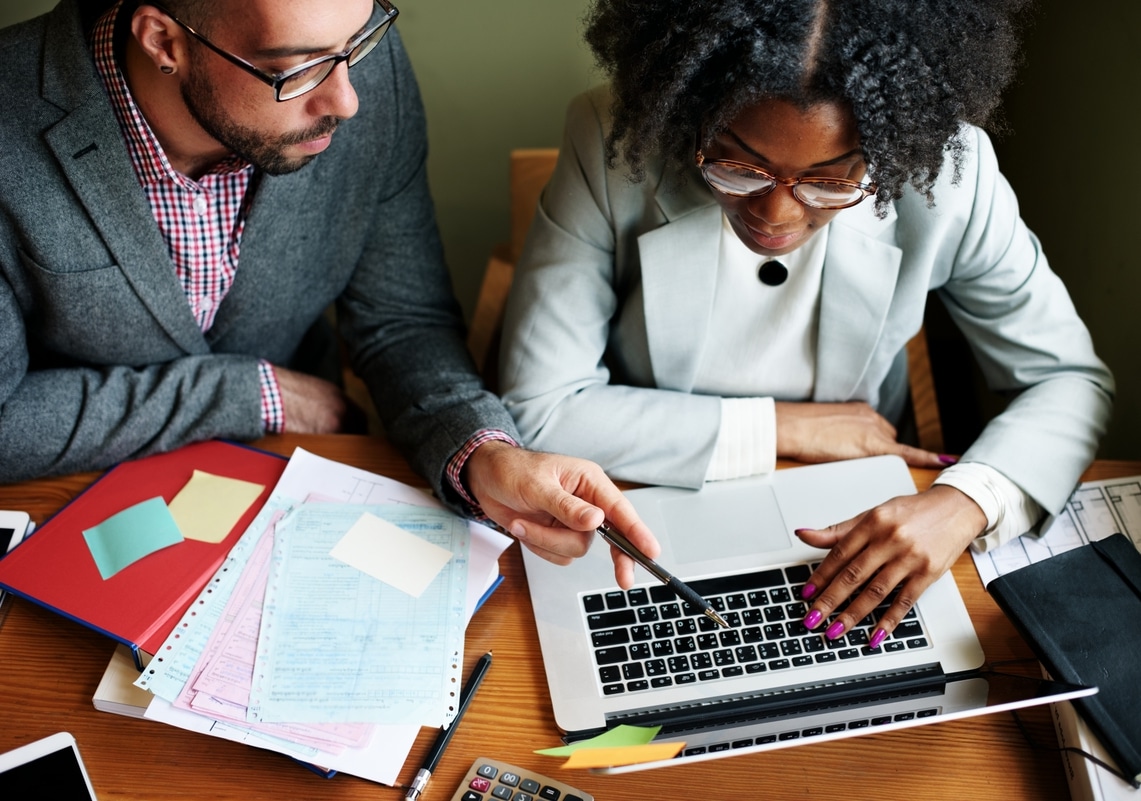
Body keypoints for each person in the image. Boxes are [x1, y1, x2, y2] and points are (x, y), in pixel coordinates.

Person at [499, 0, 1114, 646]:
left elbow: (1068, 380)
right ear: (690, 113)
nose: (776, 213)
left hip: (846, 511)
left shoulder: (952, 178)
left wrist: (965, 501)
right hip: (643, 493)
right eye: (736, 165)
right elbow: (539, 410)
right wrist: (784, 427)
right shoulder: (610, 138)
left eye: (827, 181)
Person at [0, 0, 658, 586]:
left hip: (290, 495)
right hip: (66, 507)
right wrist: (250, 393)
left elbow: (402, 321)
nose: (347, 99)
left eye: (359, 38)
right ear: (163, 41)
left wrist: (482, 453)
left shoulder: (358, 65)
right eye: (298, 66)